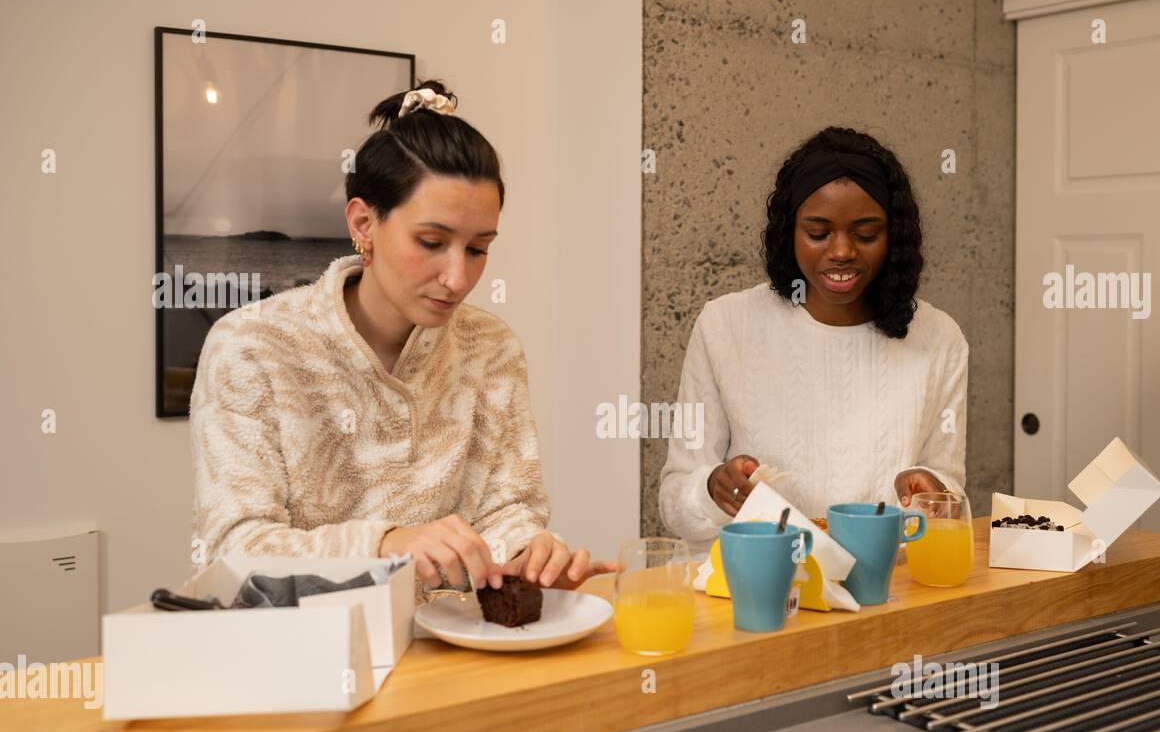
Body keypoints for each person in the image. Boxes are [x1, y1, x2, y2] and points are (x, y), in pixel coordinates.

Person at [190, 80, 614, 599]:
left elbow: (509, 510)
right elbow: (235, 548)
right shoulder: (251, 346)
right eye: (432, 242)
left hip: (454, 656)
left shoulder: (491, 348)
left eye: (479, 249)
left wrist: (531, 556)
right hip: (301, 660)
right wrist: (388, 543)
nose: (458, 278)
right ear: (364, 223)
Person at [659, 125, 969, 555]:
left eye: (865, 233)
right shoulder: (726, 326)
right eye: (818, 232)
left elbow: (947, 491)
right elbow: (675, 497)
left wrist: (936, 495)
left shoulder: (938, 339)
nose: (841, 251)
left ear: (894, 236)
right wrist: (712, 488)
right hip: (756, 584)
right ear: (790, 231)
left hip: (883, 586)